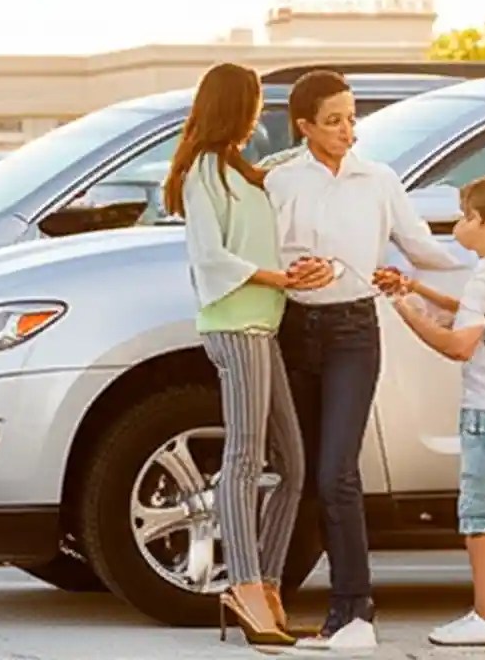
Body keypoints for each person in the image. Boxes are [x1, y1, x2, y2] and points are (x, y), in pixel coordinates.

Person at [252, 70, 468, 650]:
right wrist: (291, 275)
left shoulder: (379, 179)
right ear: (303, 127)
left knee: (337, 472)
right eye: (334, 121)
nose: (348, 130)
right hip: (294, 329)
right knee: (300, 474)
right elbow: (261, 253)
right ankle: (274, 601)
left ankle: (355, 613)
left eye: (352, 118)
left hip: (353, 332)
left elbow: (421, 245)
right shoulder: (277, 182)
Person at [165, 61, 335, 647]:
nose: (262, 112)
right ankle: (242, 586)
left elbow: (275, 189)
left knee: (291, 464)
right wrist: (279, 278)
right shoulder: (203, 172)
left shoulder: (240, 170)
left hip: (262, 326)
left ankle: (265, 585)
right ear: (236, 105)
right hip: (236, 327)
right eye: (257, 102)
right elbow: (211, 257)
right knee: (242, 461)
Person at [380, 173, 485, 647]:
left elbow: (460, 345)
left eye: (466, 217)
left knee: (480, 516)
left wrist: (407, 311)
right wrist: (418, 288)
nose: (459, 225)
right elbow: (472, 310)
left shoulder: (484, 276)